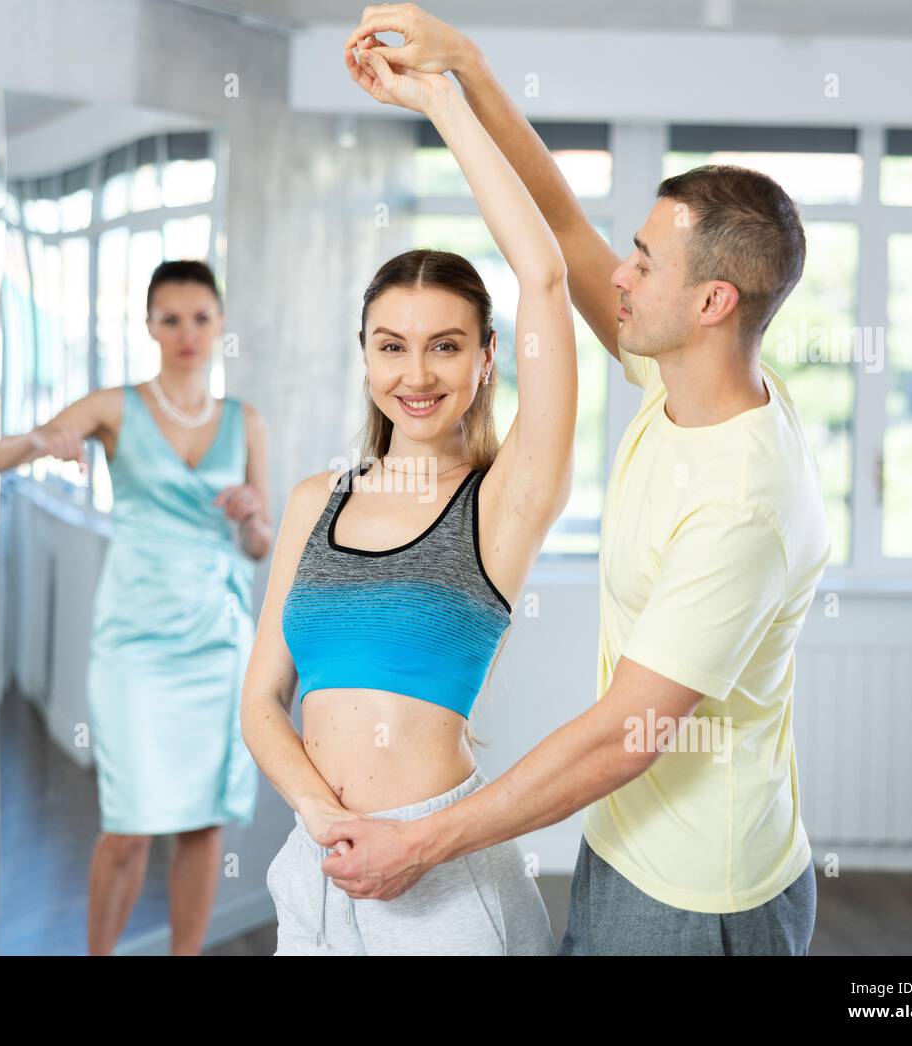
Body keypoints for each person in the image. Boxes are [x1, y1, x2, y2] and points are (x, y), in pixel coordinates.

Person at [321, 8, 831, 956]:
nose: (621, 274)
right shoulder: (687, 374)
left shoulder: (743, 504)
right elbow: (555, 228)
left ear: (713, 302)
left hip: (698, 896)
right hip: (628, 843)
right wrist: (460, 75)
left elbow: (626, 735)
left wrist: (419, 844)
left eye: (643, 260)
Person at [241, 43, 577, 955]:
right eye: (391, 345)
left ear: (486, 359)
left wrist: (442, 102)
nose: (416, 373)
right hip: (318, 864)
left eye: (445, 346)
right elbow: (262, 701)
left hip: (445, 883)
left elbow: (545, 276)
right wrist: (320, 815)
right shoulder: (318, 500)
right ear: (363, 355)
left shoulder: (506, 499)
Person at [0, 260, 272, 955]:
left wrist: (252, 515)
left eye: (200, 318)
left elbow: (260, 546)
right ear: (148, 326)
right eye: (170, 319)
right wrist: (41, 441)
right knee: (130, 825)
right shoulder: (116, 405)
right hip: (136, 642)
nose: (186, 333)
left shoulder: (246, 421)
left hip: (217, 636)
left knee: (203, 824)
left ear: (220, 325)